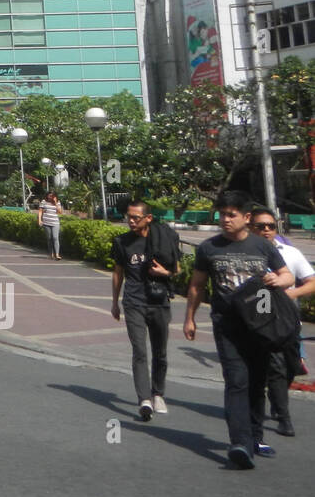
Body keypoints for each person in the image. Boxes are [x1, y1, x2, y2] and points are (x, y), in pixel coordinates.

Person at [184, 191, 293, 469]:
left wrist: (276, 279)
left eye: (231, 214)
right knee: (236, 381)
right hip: (227, 325)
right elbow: (196, 285)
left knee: (257, 383)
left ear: (246, 217)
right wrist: (190, 318)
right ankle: (240, 443)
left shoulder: (262, 246)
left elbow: (288, 275)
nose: (225, 219)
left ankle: (256, 437)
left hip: (260, 326)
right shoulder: (209, 248)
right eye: (222, 214)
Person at [248, 208, 314, 438]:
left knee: (289, 368)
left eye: (271, 226)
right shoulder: (243, 253)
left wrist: (290, 294)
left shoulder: (291, 253)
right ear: (250, 227)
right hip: (256, 321)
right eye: (260, 226)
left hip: (287, 321)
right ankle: (284, 418)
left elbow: (312, 282)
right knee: (273, 367)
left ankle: (277, 402)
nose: (266, 230)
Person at [111, 202, 177, 420]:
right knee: (139, 350)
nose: (131, 221)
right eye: (128, 217)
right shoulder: (122, 242)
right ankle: (144, 399)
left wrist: (164, 272)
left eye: (135, 217)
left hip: (158, 301)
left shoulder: (163, 239)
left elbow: (176, 270)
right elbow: (118, 273)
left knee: (161, 352)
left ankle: (158, 393)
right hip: (133, 302)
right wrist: (114, 302)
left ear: (148, 218)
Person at [37, 191, 62, 259]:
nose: (50, 197)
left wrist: (56, 203)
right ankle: (51, 253)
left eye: (52, 195)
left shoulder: (57, 202)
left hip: (55, 223)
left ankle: (57, 254)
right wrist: (39, 220)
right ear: (47, 195)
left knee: (55, 238)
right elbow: (40, 211)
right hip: (46, 223)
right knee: (49, 238)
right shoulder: (44, 202)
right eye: (49, 195)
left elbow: (60, 212)